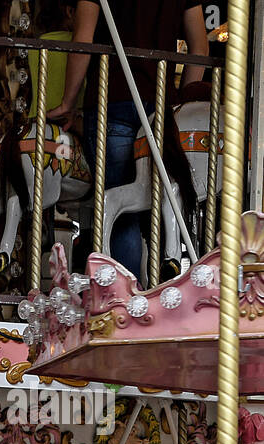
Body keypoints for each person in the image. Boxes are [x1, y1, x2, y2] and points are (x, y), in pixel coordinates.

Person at [46, 0, 209, 281]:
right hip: (161, 107)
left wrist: (68, 102)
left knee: (121, 209)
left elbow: (83, 39)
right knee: (162, 203)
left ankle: (126, 303)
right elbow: (200, 47)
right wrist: (179, 102)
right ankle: (163, 297)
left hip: (114, 99)